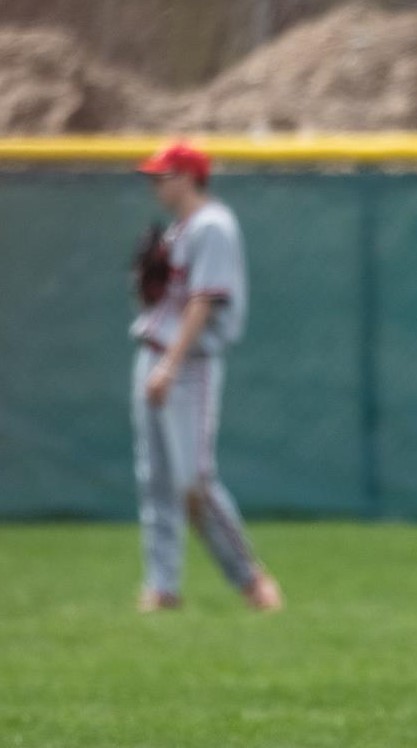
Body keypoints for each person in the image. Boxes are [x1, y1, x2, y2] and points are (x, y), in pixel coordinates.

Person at [130, 142, 282, 613]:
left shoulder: (214, 225)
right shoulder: (180, 229)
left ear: (188, 177)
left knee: (193, 480)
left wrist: (170, 364)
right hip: (153, 353)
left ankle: (251, 579)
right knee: (156, 481)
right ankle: (162, 587)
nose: (156, 184)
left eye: (163, 175)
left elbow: (204, 301)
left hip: (186, 363)